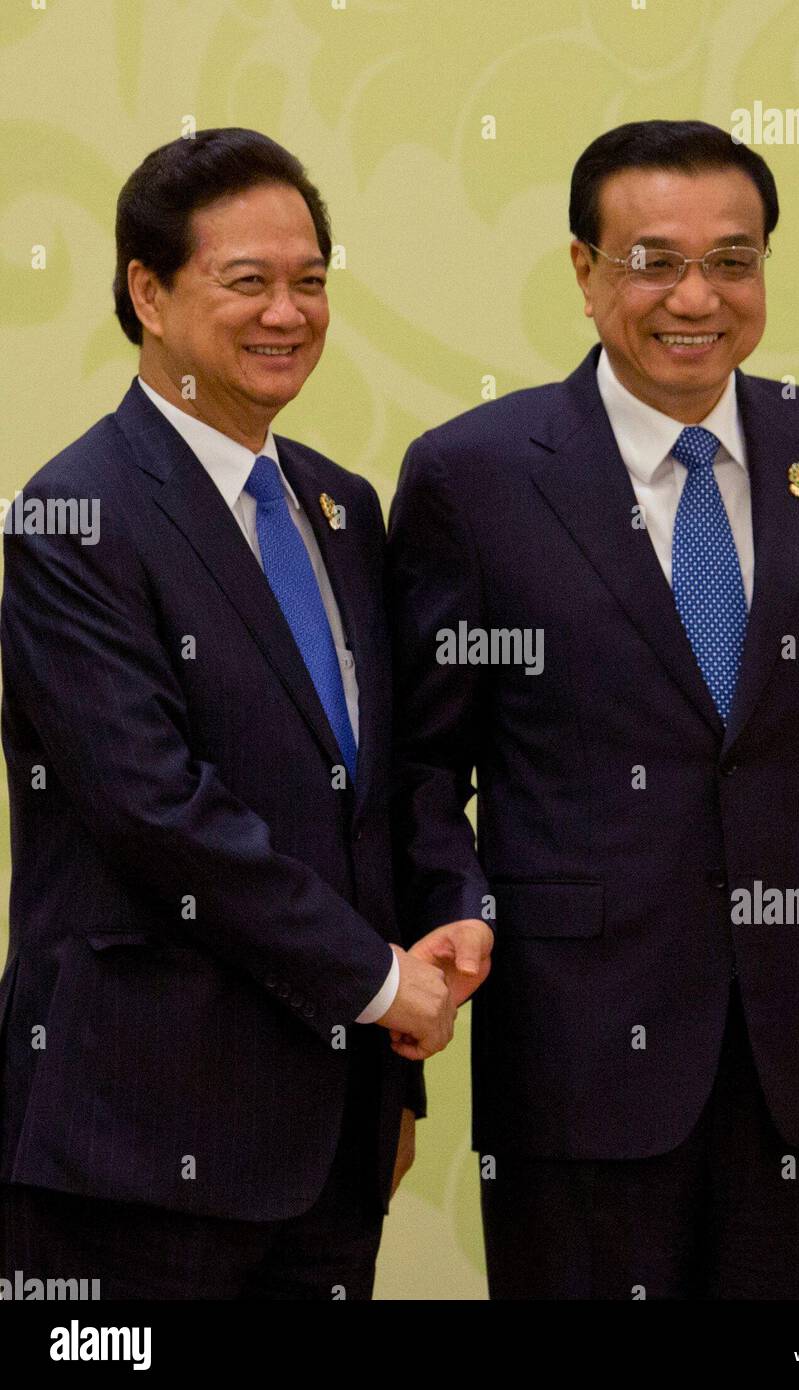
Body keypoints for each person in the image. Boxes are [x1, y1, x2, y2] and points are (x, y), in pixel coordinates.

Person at [388, 119, 799, 1300]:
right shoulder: (475, 475)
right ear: (585, 271)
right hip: (575, 1044)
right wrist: (453, 914)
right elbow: (421, 768)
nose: (696, 297)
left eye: (731, 261)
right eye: (652, 262)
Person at [0, 127, 454, 1300]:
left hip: (332, 1134)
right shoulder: (75, 515)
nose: (286, 314)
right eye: (247, 281)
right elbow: (154, 811)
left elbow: (373, 791)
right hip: (139, 1139)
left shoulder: (340, 509)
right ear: (148, 294)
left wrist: (412, 1013)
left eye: (309, 281)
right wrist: (373, 979)